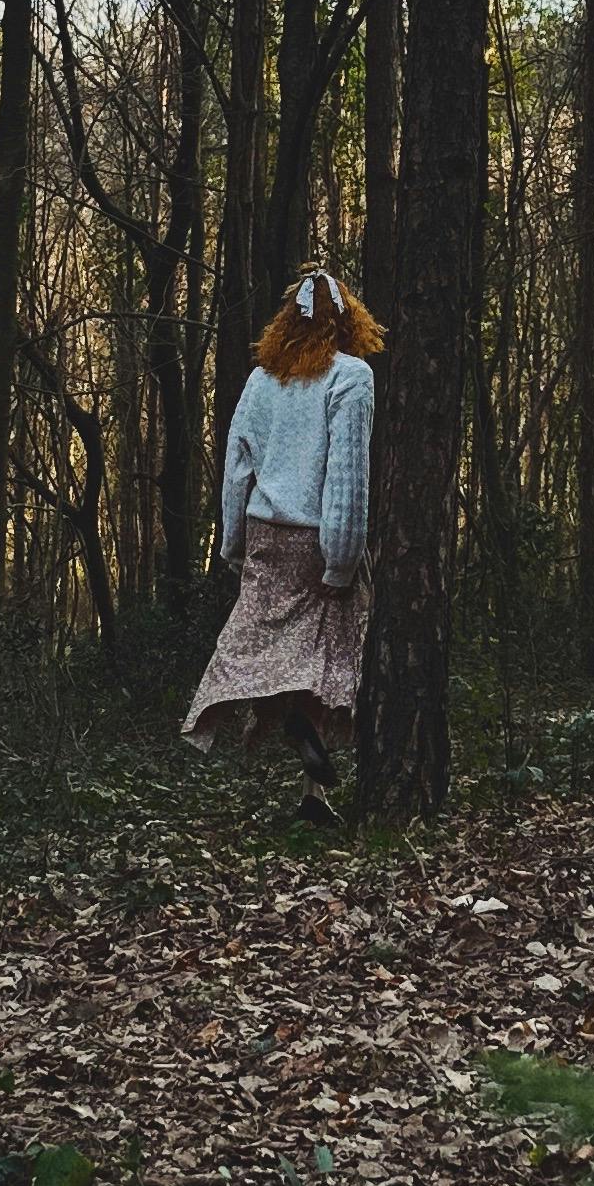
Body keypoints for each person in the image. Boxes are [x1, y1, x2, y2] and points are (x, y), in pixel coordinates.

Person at [181, 264, 383, 823]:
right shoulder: (353, 377)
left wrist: (234, 542)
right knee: (326, 658)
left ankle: (311, 795)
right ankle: (309, 761)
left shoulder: (261, 381)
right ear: (348, 324)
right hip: (319, 536)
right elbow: (346, 476)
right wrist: (342, 559)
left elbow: (236, 466)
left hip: (268, 533)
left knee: (269, 651)